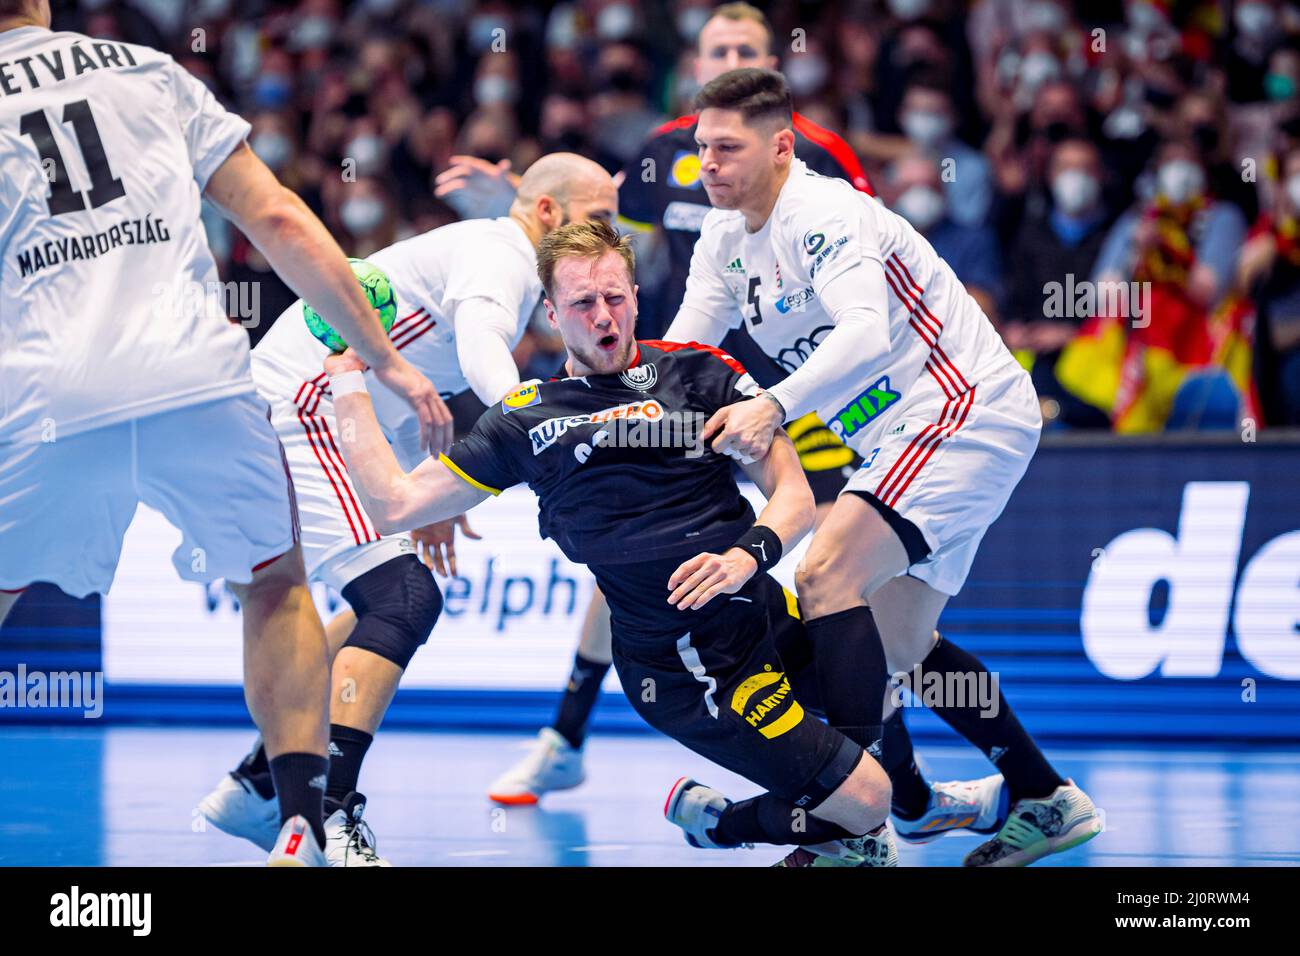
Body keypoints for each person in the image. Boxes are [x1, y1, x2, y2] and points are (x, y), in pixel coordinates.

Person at [0, 0, 444, 866]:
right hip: (194, 379)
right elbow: (275, 218)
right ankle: (301, 828)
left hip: (48, 393)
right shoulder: (147, 71)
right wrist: (378, 352)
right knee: (276, 584)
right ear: (44, 6)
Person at [325, 218, 901, 867]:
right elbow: (393, 505)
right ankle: (722, 823)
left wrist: (747, 556)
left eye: (616, 297)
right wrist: (348, 376)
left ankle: (848, 839)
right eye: (583, 303)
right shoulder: (525, 419)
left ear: (634, 293)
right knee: (868, 801)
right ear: (550, 313)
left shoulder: (702, 374)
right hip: (686, 668)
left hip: (767, 617)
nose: (605, 316)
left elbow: (794, 500)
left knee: (886, 720)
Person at [441, 1, 872, 806]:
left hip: (787, 384)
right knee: (641, 552)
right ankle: (566, 737)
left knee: (834, 567)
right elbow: (596, 248)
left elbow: (858, 268)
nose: (727, 58)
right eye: (716, 48)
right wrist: (519, 206)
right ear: (695, 65)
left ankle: (876, 776)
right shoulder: (658, 156)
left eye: (745, 48)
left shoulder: (820, 157)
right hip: (678, 374)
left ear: (769, 68)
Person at [669, 68, 1102, 866]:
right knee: (895, 642)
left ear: (781, 146)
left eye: (727, 148)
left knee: (826, 575)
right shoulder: (721, 240)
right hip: (901, 435)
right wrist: (601, 411)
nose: (709, 165)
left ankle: (849, 829)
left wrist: (773, 406)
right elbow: (680, 354)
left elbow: (866, 332)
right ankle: (1045, 795)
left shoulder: (823, 212)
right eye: (701, 148)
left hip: (956, 409)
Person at [196, 154, 618, 865]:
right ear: (547, 214)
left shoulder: (485, 252)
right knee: (403, 596)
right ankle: (330, 814)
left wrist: (426, 484)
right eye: (597, 221)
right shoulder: (502, 255)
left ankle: (260, 785)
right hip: (307, 402)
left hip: (309, 402)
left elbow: (407, 382)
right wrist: (534, 422)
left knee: (374, 603)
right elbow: (484, 349)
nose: (608, 243)